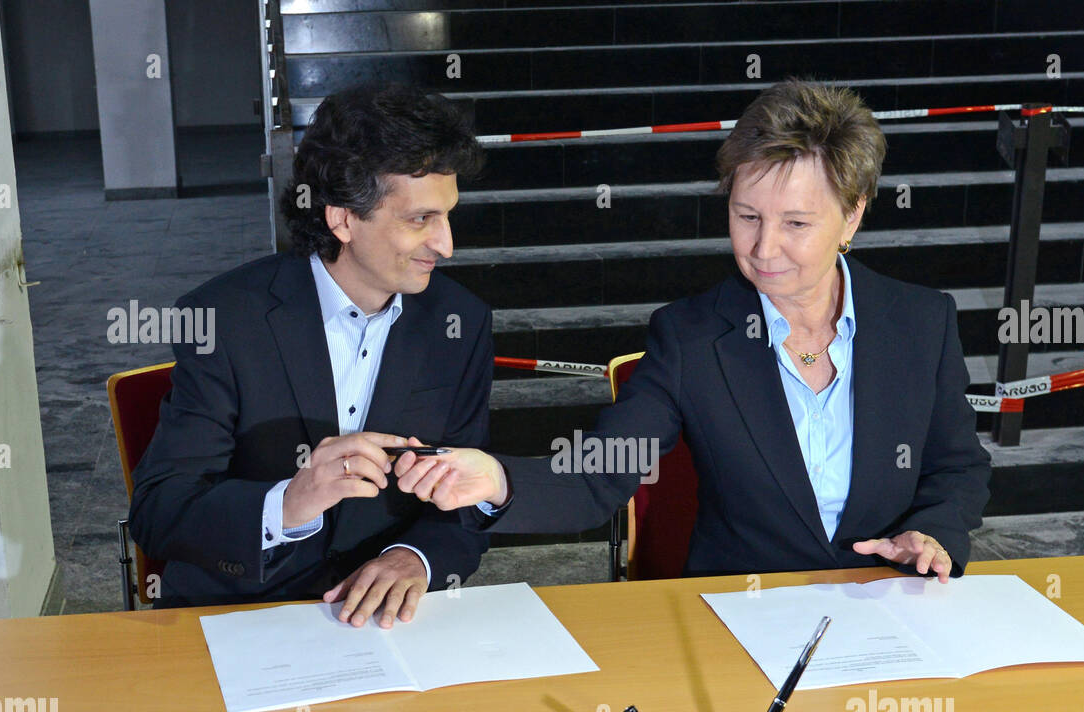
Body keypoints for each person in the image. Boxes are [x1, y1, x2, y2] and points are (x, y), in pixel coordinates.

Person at [391, 80, 990, 582]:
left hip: (884, 601)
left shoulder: (920, 321)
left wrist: (931, 532)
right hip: (743, 618)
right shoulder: (690, 336)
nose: (763, 248)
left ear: (853, 213)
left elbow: (957, 467)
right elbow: (604, 469)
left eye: (797, 223)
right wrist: (497, 478)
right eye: (746, 216)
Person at [129, 84, 493, 626]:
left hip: (384, 623)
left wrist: (413, 557)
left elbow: (465, 495)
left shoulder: (459, 321)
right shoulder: (224, 319)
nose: (446, 245)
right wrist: (288, 503)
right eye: (420, 220)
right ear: (342, 219)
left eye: (447, 216)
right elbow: (160, 511)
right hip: (239, 615)